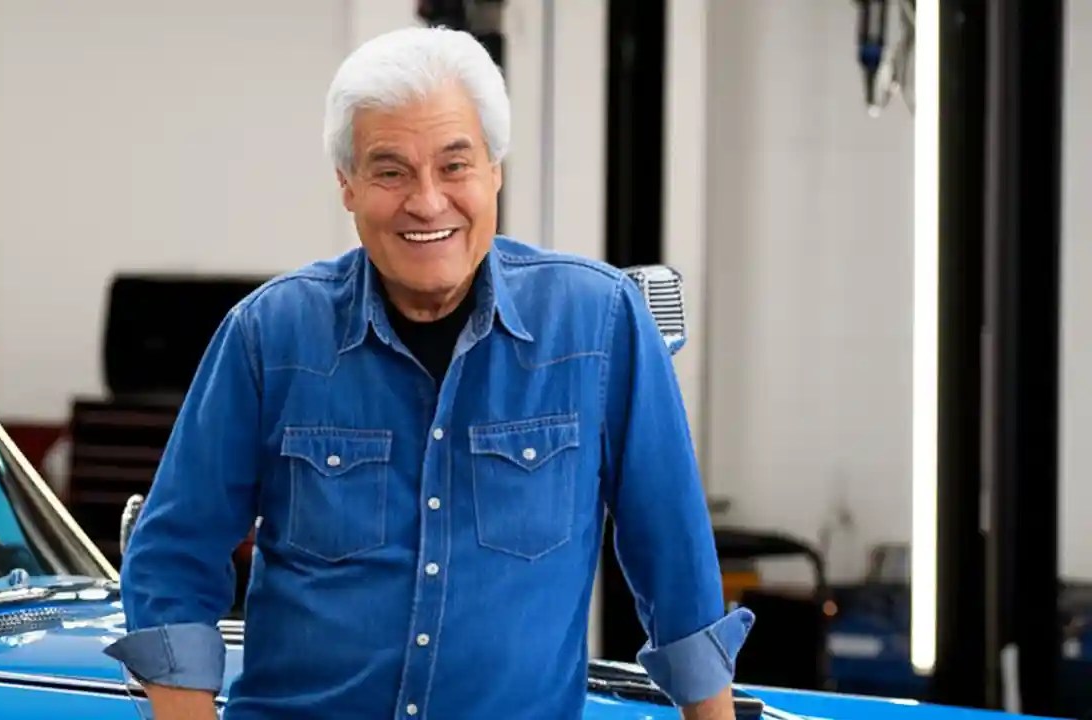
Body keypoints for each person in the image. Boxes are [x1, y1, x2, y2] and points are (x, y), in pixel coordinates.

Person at [105, 25, 754, 720]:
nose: (426, 201)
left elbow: (676, 562)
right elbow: (173, 559)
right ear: (347, 186)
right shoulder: (270, 336)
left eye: (455, 165)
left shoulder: (599, 326)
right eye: (390, 170)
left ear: (495, 170)